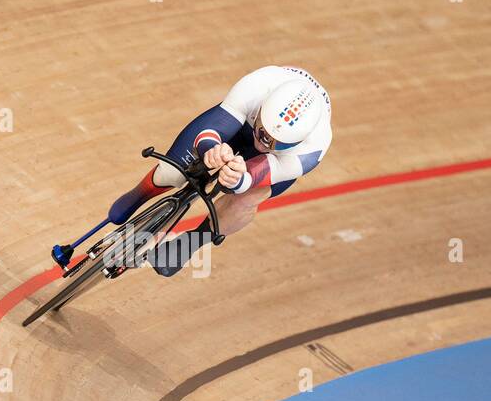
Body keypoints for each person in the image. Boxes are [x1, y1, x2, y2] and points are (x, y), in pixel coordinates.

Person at [108, 65, 332, 276]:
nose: (263, 144)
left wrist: (238, 180)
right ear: (263, 109)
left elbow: (250, 179)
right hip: (243, 124)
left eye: (276, 142)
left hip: (276, 162)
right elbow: (209, 132)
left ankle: (195, 240)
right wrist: (212, 149)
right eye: (263, 133)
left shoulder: (310, 150)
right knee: (172, 170)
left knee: (245, 199)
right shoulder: (258, 85)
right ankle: (140, 193)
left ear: (297, 142)